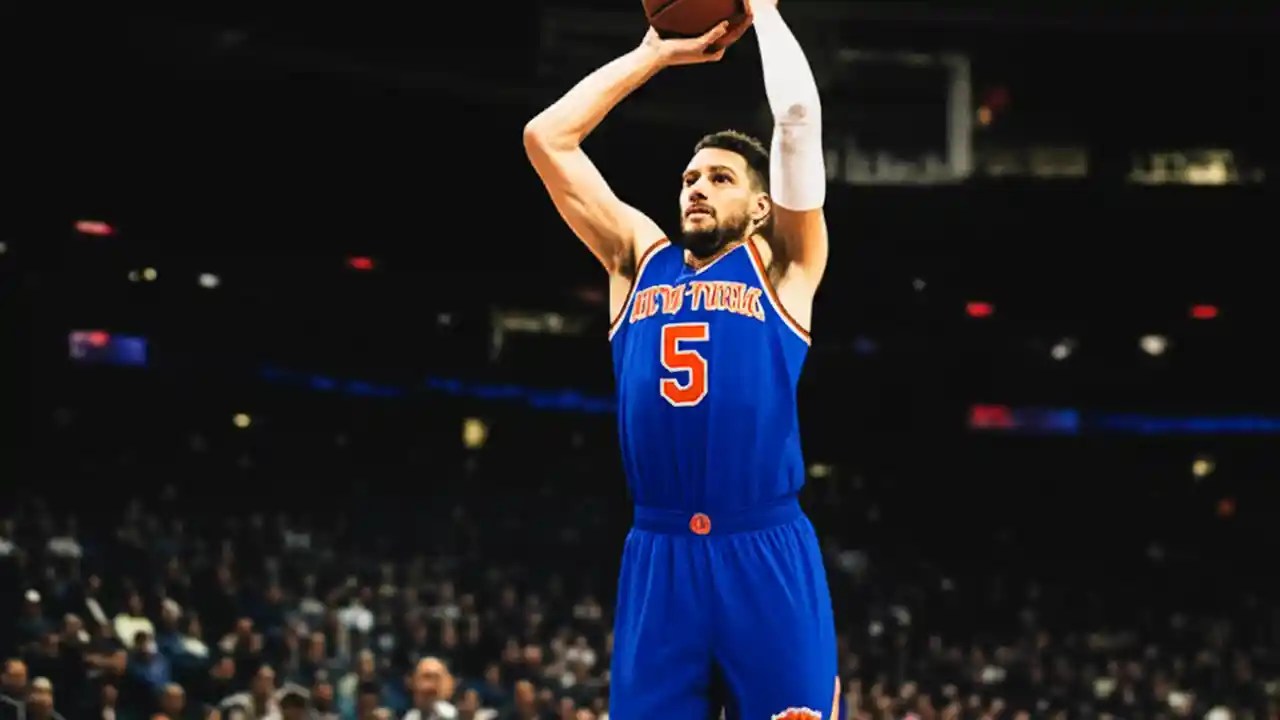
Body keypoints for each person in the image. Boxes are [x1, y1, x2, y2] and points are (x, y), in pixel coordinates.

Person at [523, 0, 837, 717]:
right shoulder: (639, 259)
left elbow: (794, 121)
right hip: (659, 553)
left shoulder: (785, 265)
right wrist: (655, 54)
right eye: (690, 178)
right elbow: (548, 138)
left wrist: (764, 11)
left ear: (762, 207)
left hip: (763, 545)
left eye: (720, 178)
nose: (696, 187)